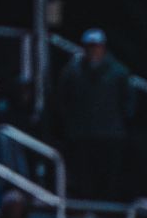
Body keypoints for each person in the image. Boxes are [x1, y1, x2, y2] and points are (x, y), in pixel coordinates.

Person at [56, 29, 134, 200]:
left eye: (97, 46)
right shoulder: (72, 71)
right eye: (90, 46)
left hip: (110, 134)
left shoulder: (118, 72)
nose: (93, 50)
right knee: (83, 175)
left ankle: (108, 210)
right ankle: (86, 209)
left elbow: (127, 102)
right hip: (81, 133)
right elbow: (63, 99)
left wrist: (121, 121)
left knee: (109, 176)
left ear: (103, 47)